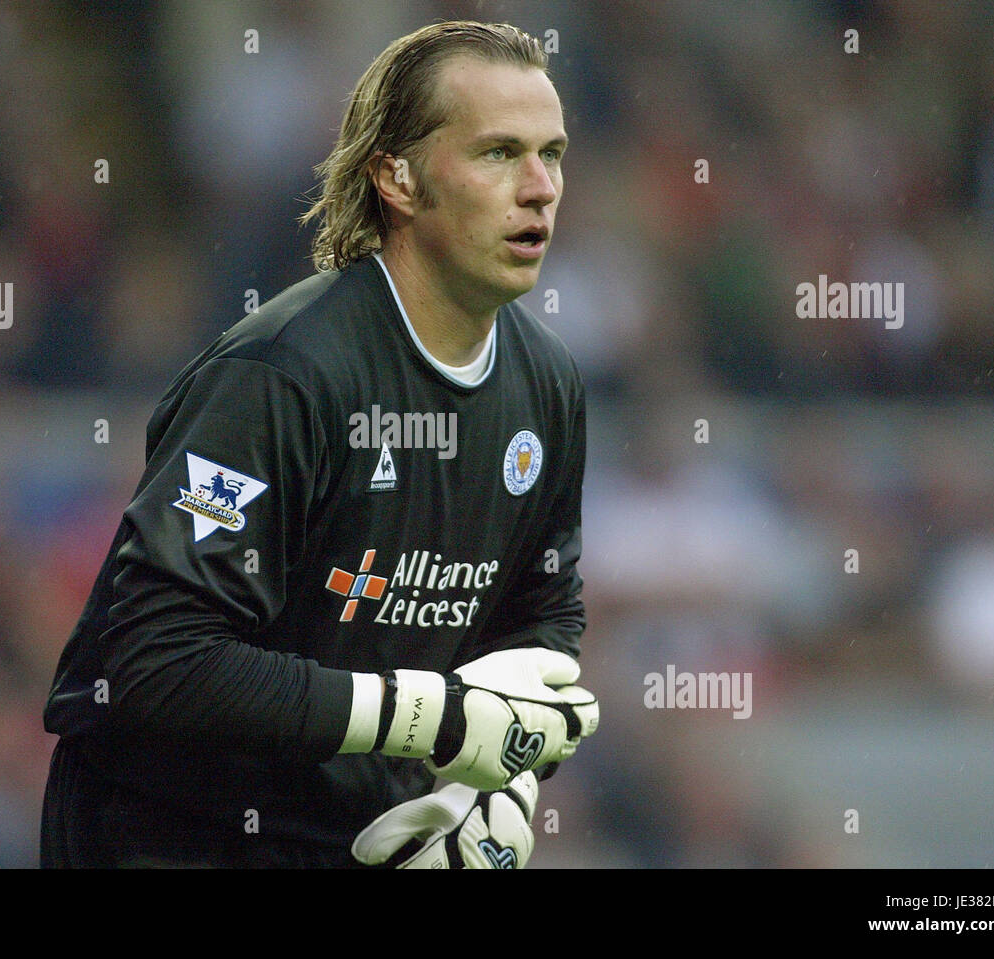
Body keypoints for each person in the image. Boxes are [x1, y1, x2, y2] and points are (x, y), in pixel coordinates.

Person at [40, 20, 599, 869]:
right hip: (171, 839)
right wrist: (432, 720)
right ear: (397, 178)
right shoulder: (282, 375)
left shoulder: (548, 385)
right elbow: (154, 658)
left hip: (355, 845)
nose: (540, 187)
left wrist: (494, 794)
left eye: (551, 153)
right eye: (498, 153)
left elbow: (541, 621)